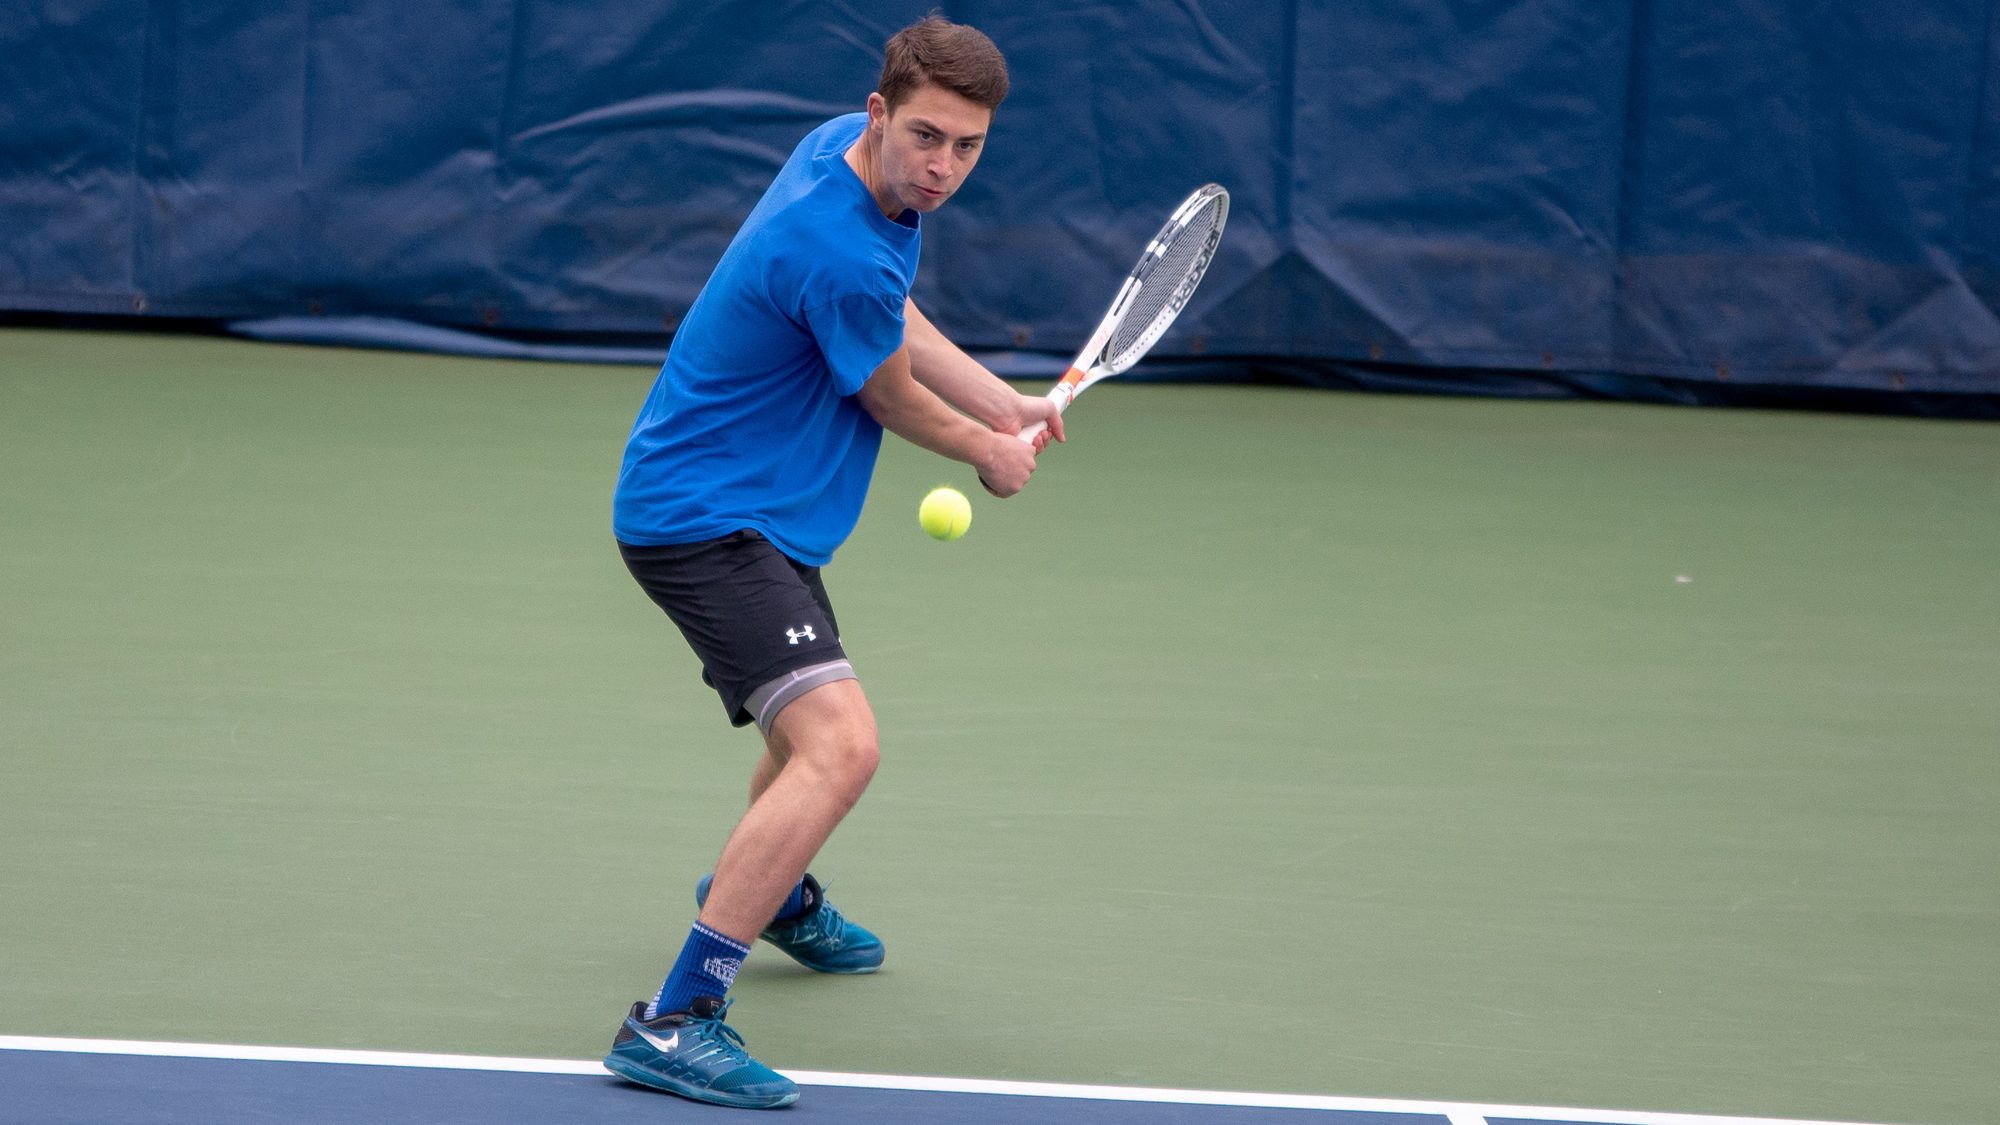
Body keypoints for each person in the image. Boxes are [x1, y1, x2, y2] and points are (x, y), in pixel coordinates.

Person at [600, 15, 1061, 1110]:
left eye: (967, 146)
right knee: (841, 747)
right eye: (925, 138)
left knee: (805, 732)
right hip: (702, 520)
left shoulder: (837, 161)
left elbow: (889, 315)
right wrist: (988, 451)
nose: (942, 167)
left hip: (761, 514)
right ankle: (673, 1022)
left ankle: (769, 892)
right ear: (878, 114)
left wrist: (1005, 397)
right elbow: (888, 389)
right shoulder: (838, 244)